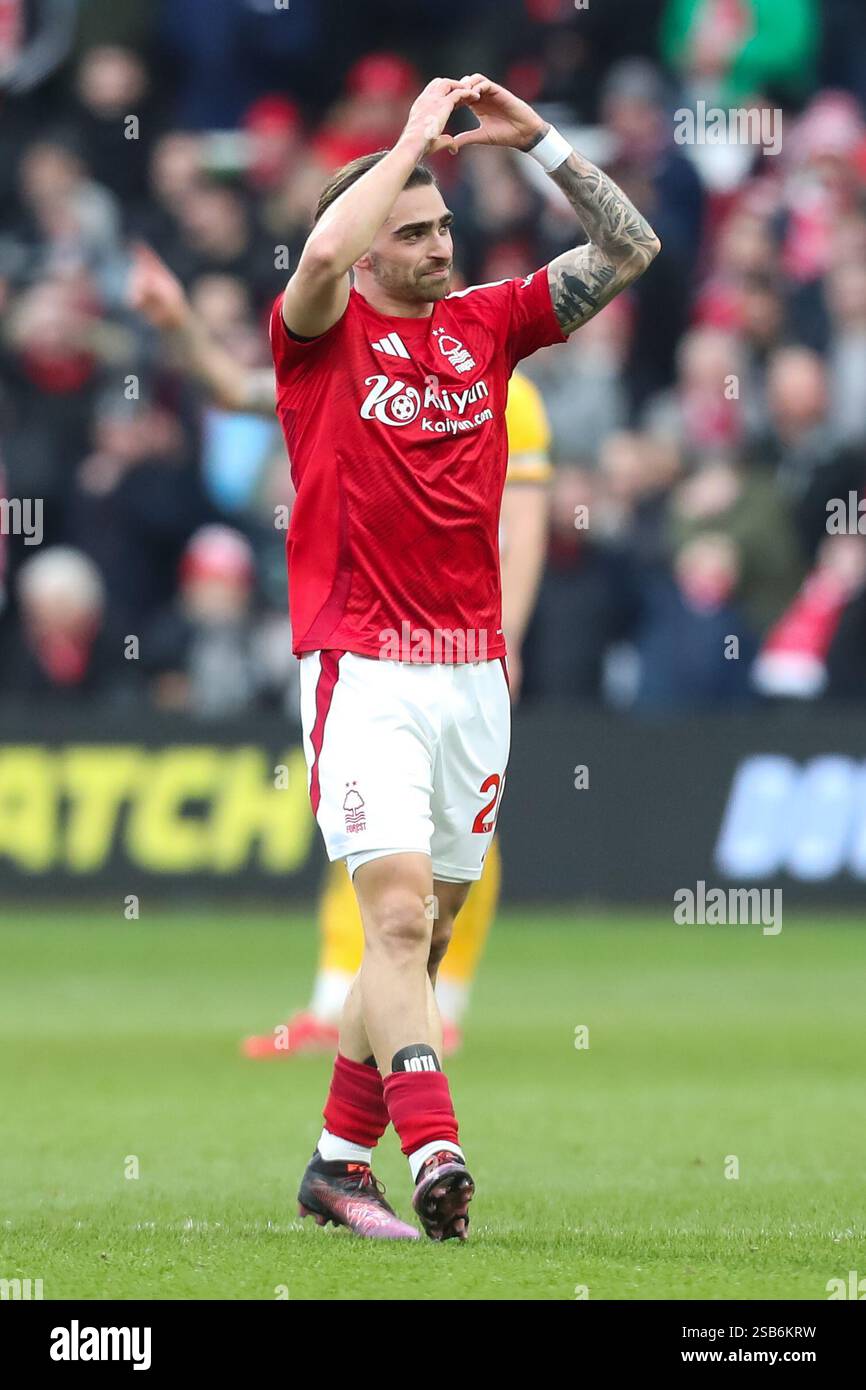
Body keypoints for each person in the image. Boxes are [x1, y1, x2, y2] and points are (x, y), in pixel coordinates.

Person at [265, 71, 659, 1242]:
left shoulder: (486, 325)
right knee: (390, 925)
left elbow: (628, 247)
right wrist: (401, 141)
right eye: (416, 230)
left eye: (444, 223)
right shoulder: (318, 334)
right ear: (367, 246)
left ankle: (337, 1164)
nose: (442, 242)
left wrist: (536, 139)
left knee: (420, 939)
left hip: (471, 671)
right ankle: (434, 1146)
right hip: (363, 663)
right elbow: (326, 246)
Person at [128, 245, 553, 1055]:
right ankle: (337, 1008)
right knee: (369, 836)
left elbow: (524, 524)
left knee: (451, 841)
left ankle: (442, 1000)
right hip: (370, 639)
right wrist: (179, 325)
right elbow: (234, 389)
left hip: (463, 641)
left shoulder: (506, 383)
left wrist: (511, 636)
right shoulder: (347, 360)